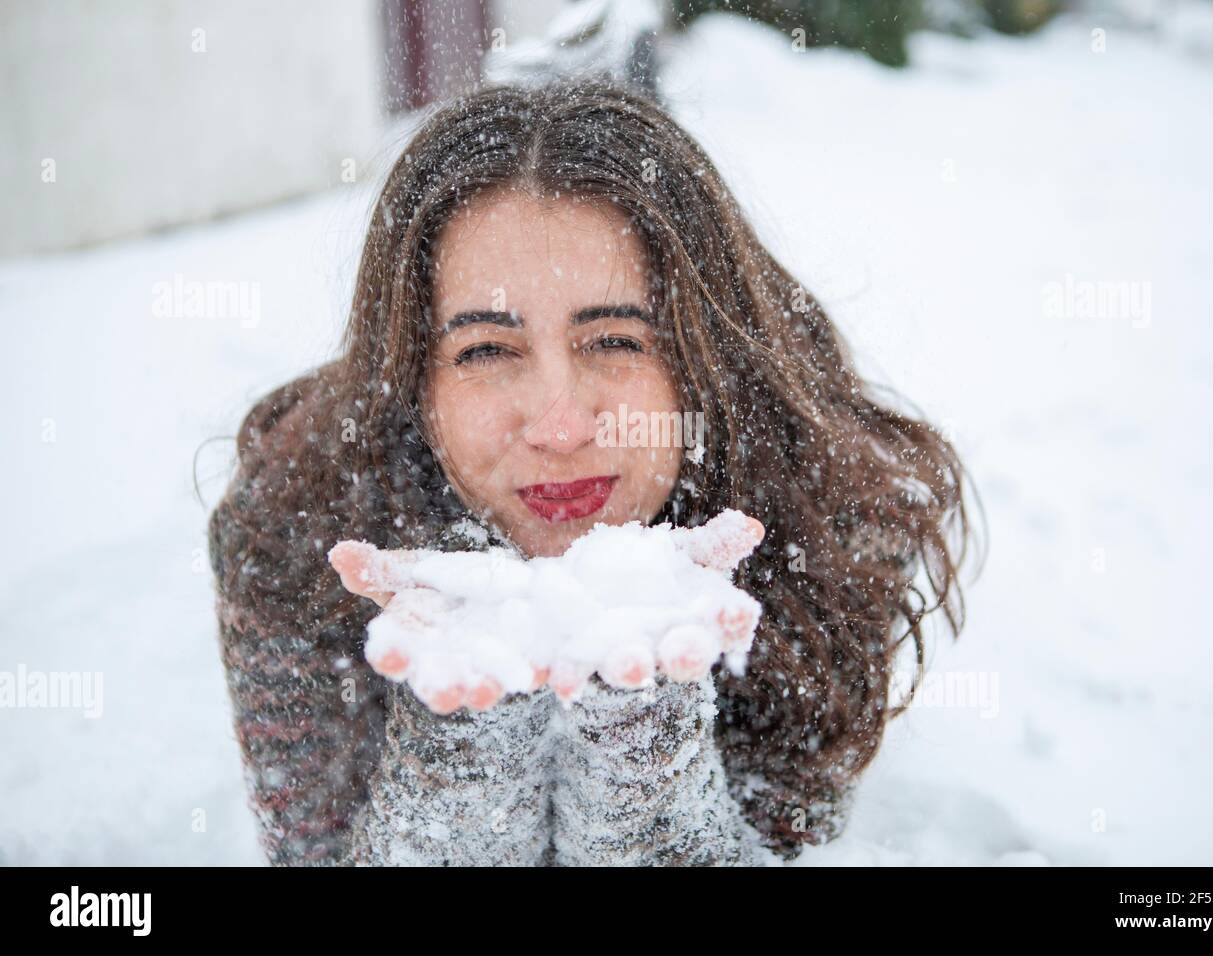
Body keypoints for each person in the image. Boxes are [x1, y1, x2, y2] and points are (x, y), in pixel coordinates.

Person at [208, 78, 975, 866]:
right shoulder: (292, 530)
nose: (561, 427)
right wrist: (466, 726)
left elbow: (791, 841)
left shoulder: (831, 510)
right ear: (412, 382)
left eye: (614, 340)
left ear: (703, 356)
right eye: (485, 351)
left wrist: (640, 731)